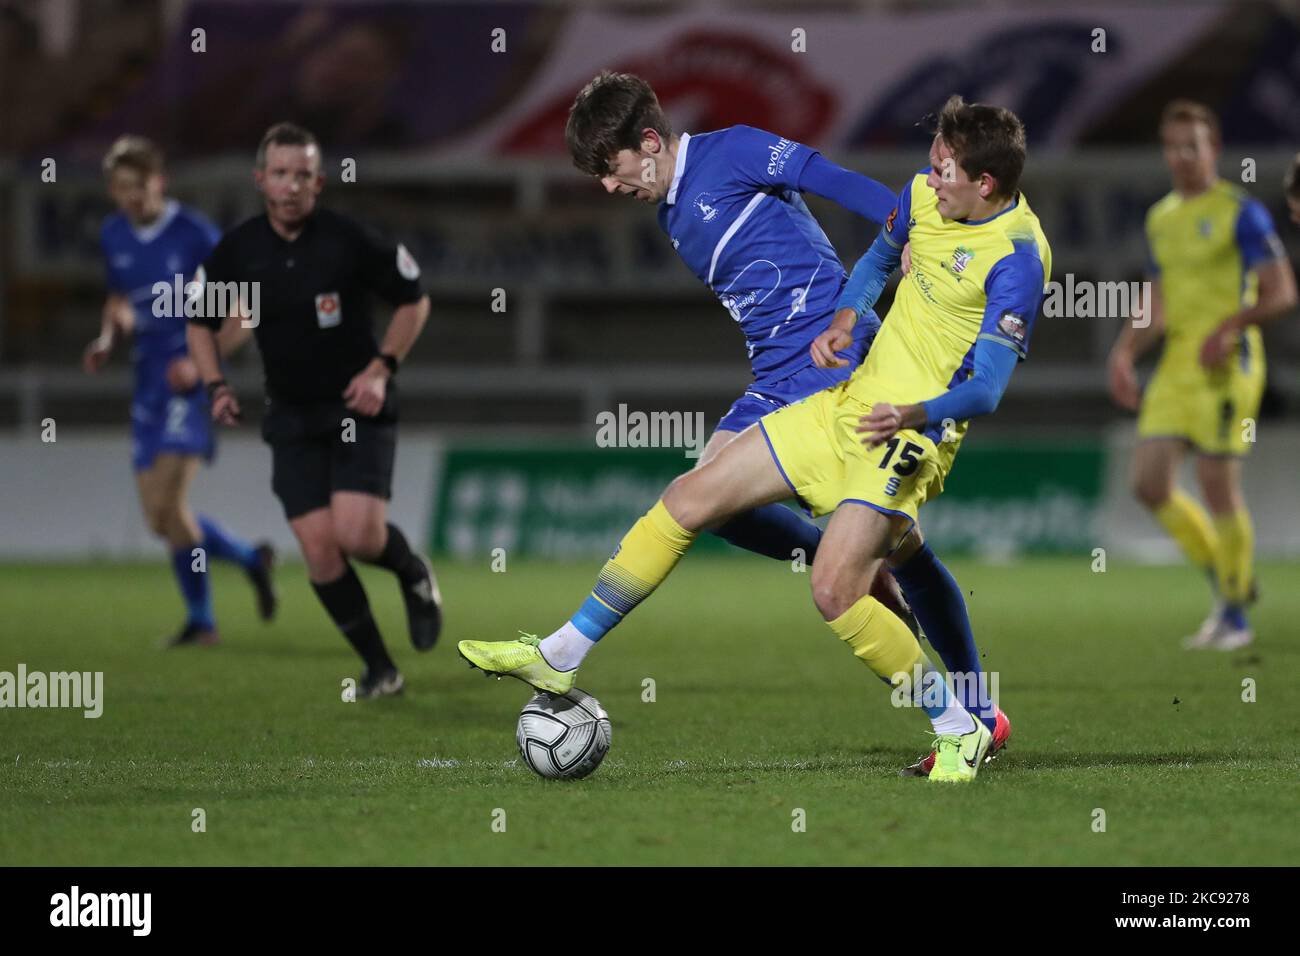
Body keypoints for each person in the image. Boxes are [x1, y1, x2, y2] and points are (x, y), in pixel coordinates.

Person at [461, 96, 1046, 783]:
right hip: (787, 373)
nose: (607, 186)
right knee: (706, 504)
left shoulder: (736, 153)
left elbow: (833, 179)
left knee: (817, 569)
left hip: (844, 382)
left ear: (650, 141)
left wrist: (890, 255)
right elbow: (881, 243)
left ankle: (960, 713)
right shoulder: (683, 206)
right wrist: (872, 274)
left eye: (612, 168)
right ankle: (564, 649)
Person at [186, 122, 442, 697]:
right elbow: (199, 322)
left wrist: (381, 369)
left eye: (303, 175)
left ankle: (412, 572)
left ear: (319, 182)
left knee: (355, 534)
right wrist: (215, 386)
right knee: (319, 552)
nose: (291, 185)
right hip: (292, 417)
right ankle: (381, 669)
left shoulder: (348, 240)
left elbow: (414, 300)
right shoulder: (239, 249)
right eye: (280, 174)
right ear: (261, 180)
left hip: (358, 405)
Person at [1106, 101, 1296, 650]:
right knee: (1149, 483)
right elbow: (1157, 305)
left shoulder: (1242, 212)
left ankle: (1235, 616)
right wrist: (1123, 353)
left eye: (1193, 145)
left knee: (1217, 486)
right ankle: (1230, 583)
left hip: (1228, 361)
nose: (1182, 156)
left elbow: (1282, 292)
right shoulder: (1161, 218)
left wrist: (1232, 323)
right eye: (1173, 146)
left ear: (1213, 149)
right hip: (1177, 362)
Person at [86, 135, 275, 647]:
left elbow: (245, 309)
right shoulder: (113, 235)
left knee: (171, 505)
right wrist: (108, 338)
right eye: (123, 188)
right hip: (145, 382)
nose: (133, 198)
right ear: (112, 190)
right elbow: (120, 301)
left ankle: (203, 622)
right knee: (158, 519)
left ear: (159, 182)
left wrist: (199, 364)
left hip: (186, 385)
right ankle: (248, 558)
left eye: (141, 186)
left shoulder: (194, 234)